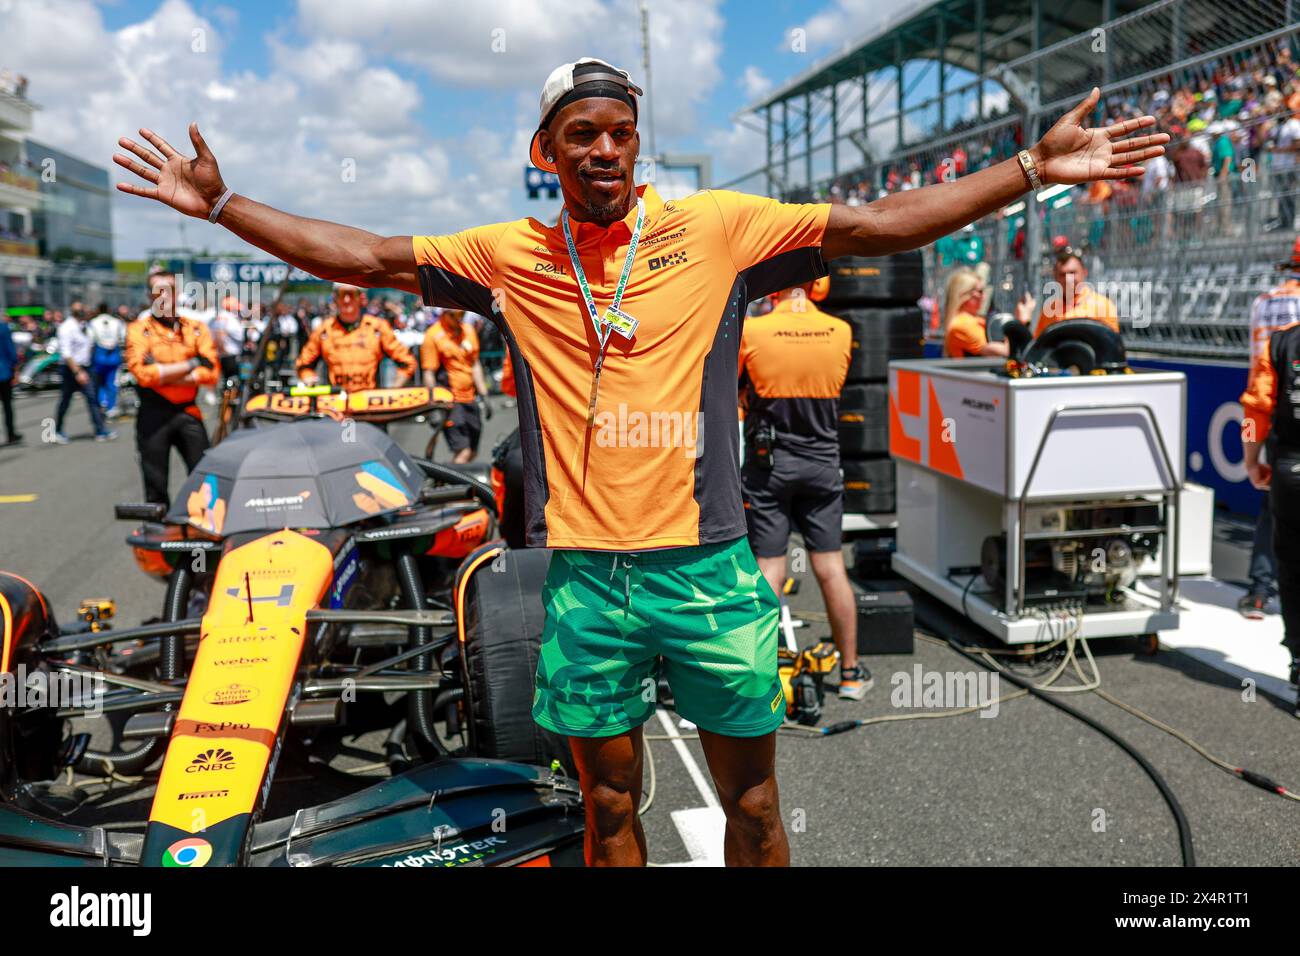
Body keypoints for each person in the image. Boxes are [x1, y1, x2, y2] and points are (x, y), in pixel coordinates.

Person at [114, 60, 1166, 865]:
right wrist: (221, 206)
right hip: (584, 584)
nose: (605, 150)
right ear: (547, 149)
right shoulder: (506, 256)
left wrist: (1029, 169)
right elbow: (365, 254)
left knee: (753, 802)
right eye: (582, 135)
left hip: (708, 572)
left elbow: (876, 222)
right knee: (608, 802)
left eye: (620, 132)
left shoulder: (717, 229)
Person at [738, 280, 868, 699]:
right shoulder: (840, 330)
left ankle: (756, 676)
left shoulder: (752, 330)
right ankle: (850, 674)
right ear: (819, 285)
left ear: (773, 285)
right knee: (830, 567)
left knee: (769, 569)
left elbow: (736, 389)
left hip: (768, 466)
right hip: (822, 465)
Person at [1239, 316, 1300, 715]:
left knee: (1294, 568)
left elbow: (1256, 409)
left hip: (1291, 469)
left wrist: (1250, 461)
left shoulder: (1281, 342)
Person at [1237, 238, 1300, 618]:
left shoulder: (1262, 303)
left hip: (1268, 408)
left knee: (1273, 506)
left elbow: (1256, 375)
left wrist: (1251, 452)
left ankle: (1260, 590)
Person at [124, 269, 218, 506]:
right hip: (152, 414)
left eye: (170, 291)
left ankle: (204, 529)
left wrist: (164, 373)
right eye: (158, 292)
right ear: (150, 297)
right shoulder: (137, 329)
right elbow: (143, 375)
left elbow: (211, 373)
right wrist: (191, 364)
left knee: (205, 478)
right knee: (155, 487)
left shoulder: (196, 328)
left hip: (188, 411)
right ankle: (159, 534)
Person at [295, 282, 416, 391]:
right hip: (335, 405)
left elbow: (407, 362)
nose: (347, 300)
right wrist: (309, 378)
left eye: (351, 294)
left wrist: (392, 392)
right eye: (342, 294)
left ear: (361, 298)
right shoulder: (324, 330)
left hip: (370, 407)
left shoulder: (378, 327)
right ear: (335, 299)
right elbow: (303, 364)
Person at [422, 308, 490, 463]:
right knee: (463, 451)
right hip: (450, 401)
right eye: (454, 315)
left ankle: (449, 478)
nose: (459, 318)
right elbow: (429, 372)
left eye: (462, 314)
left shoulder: (468, 330)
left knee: (472, 451)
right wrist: (434, 404)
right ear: (443, 314)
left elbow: (475, 364)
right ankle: (454, 484)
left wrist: (484, 394)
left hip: (470, 398)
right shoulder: (433, 335)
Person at [1018, 246, 1120, 338]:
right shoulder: (1049, 310)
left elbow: (1113, 348)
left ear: (1084, 272)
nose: (1068, 279)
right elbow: (1038, 349)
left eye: (1072, 272)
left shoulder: (1103, 306)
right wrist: (1024, 322)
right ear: (1055, 277)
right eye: (1062, 274)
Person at [53, 302, 114, 443]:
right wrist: (78, 372)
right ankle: (57, 431)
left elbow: (90, 345)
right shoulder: (66, 328)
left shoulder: (85, 326)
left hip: (86, 366)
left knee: (93, 398)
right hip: (72, 369)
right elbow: (66, 353)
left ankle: (100, 430)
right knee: (65, 401)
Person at [943, 268, 1008, 358]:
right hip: (969, 372)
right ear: (963, 294)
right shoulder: (962, 324)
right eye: (980, 291)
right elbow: (1003, 352)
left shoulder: (973, 320)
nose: (984, 297)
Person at [88, 302, 126, 417]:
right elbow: (123, 337)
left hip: (99, 355)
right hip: (113, 354)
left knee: (99, 382)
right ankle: (111, 406)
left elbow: (90, 340)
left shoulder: (93, 322)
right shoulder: (117, 322)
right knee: (112, 381)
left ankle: (102, 402)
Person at [0, 312, 18, 445]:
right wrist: (15, 370)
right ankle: (11, 433)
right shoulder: (4, 328)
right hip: (4, 372)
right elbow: (11, 351)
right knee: (7, 405)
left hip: (4, 370)